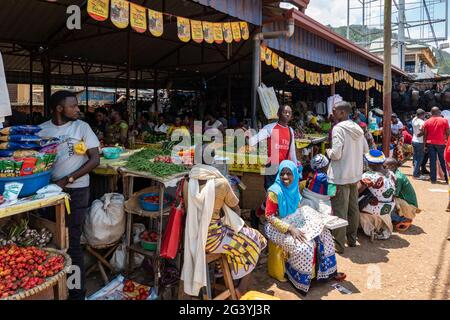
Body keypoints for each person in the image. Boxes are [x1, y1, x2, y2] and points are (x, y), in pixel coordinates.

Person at [38, 90, 100, 300]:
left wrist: (67, 180)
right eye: (73, 106)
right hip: (49, 194)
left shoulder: (82, 127)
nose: (77, 109)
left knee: (72, 243)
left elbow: (94, 160)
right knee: (52, 241)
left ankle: (76, 293)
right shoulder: (41, 130)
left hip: (77, 191)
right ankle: (54, 289)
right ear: (59, 108)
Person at [181, 164, 267, 299]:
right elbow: (236, 210)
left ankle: (220, 274)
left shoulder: (187, 182)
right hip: (213, 240)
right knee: (255, 238)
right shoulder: (221, 184)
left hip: (193, 237)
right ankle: (241, 287)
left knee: (238, 238)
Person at [264, 160, 345, 295]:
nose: (285, 177)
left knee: (325, 236)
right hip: (277, 226)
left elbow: (298, 207)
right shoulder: (274, 192)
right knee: (304, 247)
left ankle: (327, 273)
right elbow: (270, 217)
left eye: (289, 174)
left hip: (295, 220)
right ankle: (299, 280)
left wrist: (314, 219)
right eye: (282, 173)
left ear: (294, 175)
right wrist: (290, 228)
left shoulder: (294, 187)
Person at [327, 101, 369, 254]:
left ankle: (338, 244)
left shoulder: (338, 129)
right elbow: (366, 149)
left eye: (335, 110)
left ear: (343, 113)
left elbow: (336, 154)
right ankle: (351, 239)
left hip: (340, 176)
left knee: (339, 210)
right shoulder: (358, 128)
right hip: (354, 175)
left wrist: (328, 152)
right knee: (353, 208)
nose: (332, 113)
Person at [249, 105, 298, 190]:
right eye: (284, 112)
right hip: (271, 166)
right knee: (270, 191)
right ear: (278, 114)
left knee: (283, 192)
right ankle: (267, 203)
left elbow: (292, 151)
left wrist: (295, 167)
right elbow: (253, 141)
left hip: (285, 167)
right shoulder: (270, 128)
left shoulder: (290, 131)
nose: (287, 114)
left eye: (289, 113)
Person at [358, 150, 395, 241]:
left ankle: (368, 228)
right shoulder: (391, 174)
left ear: (370, 164)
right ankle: (380, 228)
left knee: (352, 202)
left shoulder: (369, 176)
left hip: (374, 208)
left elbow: (357, 191)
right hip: (388, 207)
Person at [384, 157, 418, 231]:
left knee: (386, 203)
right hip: (406, 202)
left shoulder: (397, 177)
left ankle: (402, 219)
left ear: (392, 166)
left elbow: (394, 194)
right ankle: (398, 217)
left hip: (410, 207)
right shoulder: (395, 173)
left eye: (385, 166)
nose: (383, 168)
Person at [423, 107, 450, 184]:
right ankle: (447, 179)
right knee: (443, 161)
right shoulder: (444, 120)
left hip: (430, 143)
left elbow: (425, 135)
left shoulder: (427, 121)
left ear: (431, 113)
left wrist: (424, 146)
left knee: (432, 161)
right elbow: (448, 133)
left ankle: (433, 179)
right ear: (438, 112)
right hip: (441, 143)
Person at [411, 109, 427, 179]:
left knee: (415, 157)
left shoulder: (414, 119)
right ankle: (416, 174)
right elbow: (422, 130)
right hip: (420, 142)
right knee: (419, 158)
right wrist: (421, 134)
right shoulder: (422, 122)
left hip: (414, 140)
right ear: (422, 115)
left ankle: (416, 172)